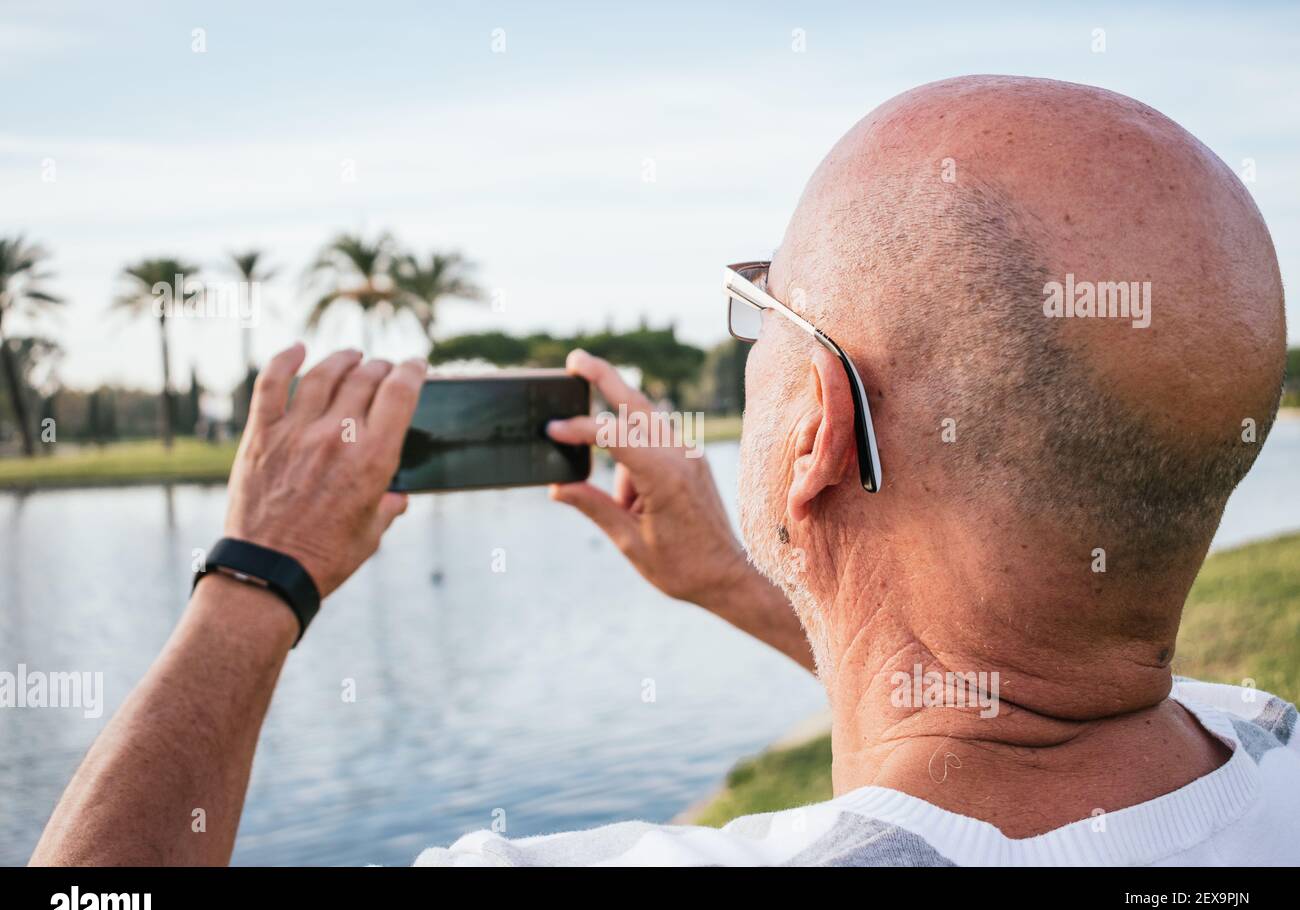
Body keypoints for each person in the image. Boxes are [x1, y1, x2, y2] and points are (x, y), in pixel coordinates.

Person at [30, 75, 1295, 867]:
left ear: (818, 437)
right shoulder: (1267, 743)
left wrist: (254, 575)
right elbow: (993, 705)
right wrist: (743, 583)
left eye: (767, 308)